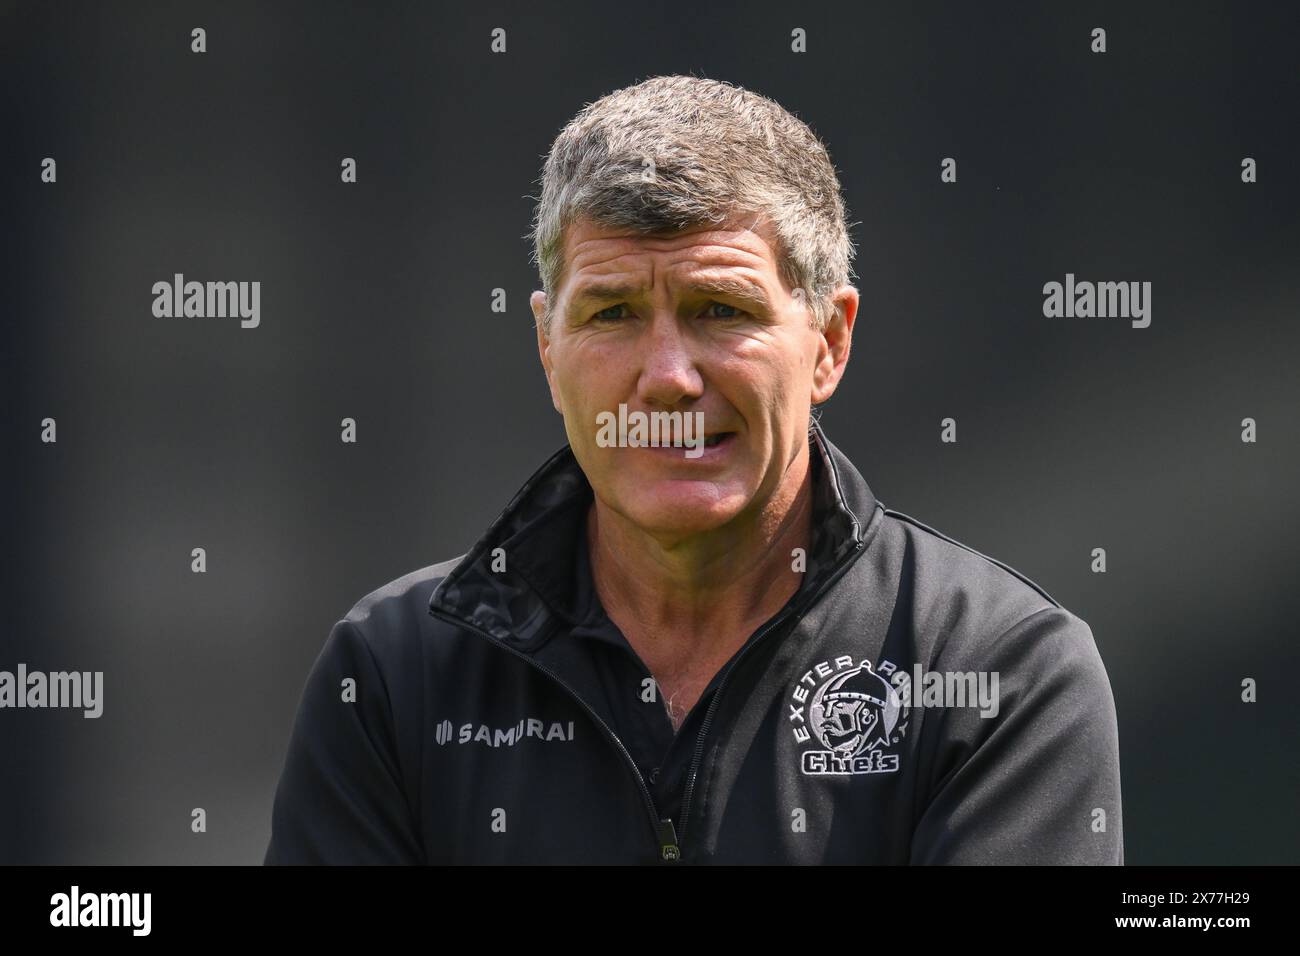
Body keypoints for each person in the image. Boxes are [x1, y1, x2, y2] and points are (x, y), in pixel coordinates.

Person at [264, 74, 1122, 864]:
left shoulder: (998, 670)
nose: (668, 375)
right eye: (613, 313)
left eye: (720, 309)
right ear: (546, 347)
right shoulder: (392, 674)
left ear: (829, 342)